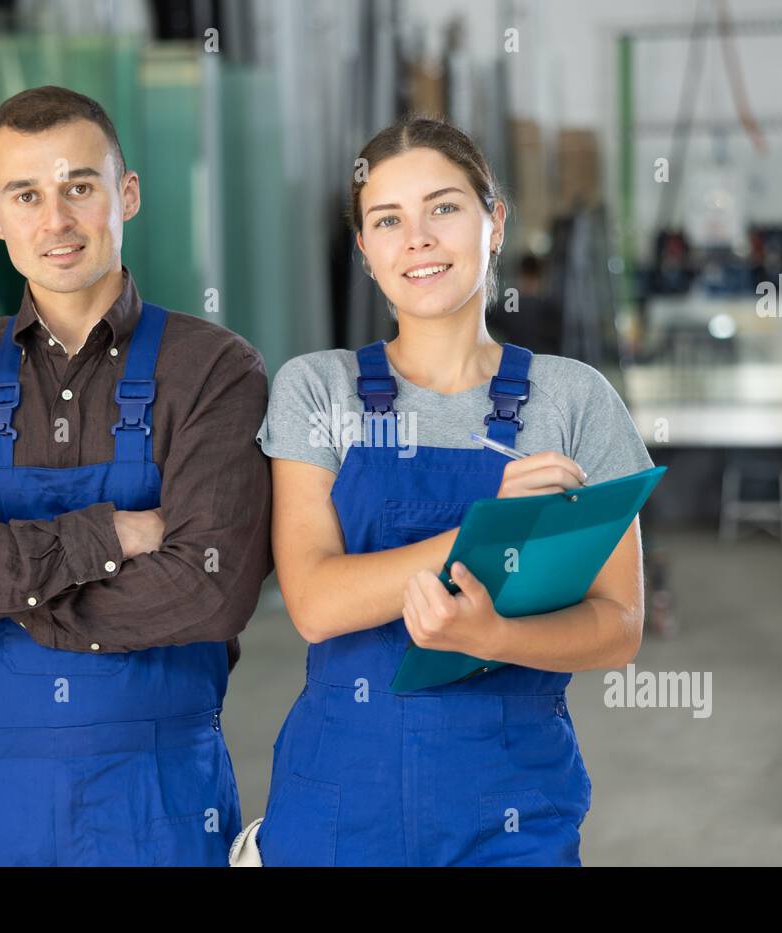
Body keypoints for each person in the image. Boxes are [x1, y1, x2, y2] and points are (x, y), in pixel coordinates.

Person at [0, 86, 272, 866]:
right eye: (27, 194)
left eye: (79, 187)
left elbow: (212, 591)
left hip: (161, 807)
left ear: (127, 194)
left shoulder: (214, 371)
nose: (55, 221)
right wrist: (112, 534)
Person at [253, 116, 653, 866]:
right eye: (387, 220)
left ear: (493, 221)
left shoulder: (574, 400)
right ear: (366, 251)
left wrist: (494, 638)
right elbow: (315, 602)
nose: (418, 239)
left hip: (513, 808)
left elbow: (619, 625)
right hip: (339, 804)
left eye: (443, 207)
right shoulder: (316, 388)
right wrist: (489, 527)